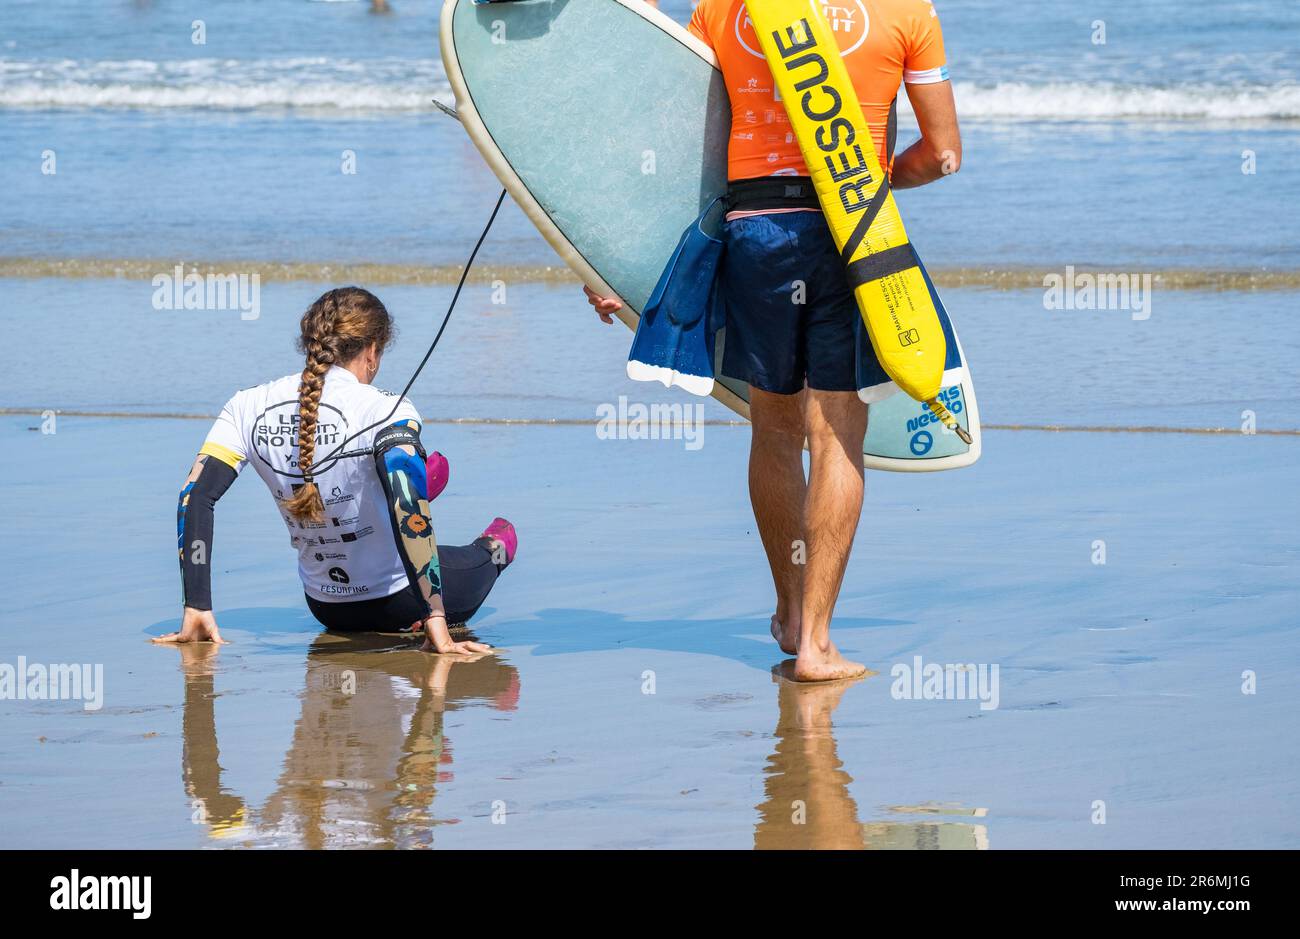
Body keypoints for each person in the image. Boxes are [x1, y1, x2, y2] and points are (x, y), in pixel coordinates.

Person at [585, 0, 962, 681]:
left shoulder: (724, 8)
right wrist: (874, 182)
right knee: (839, 432)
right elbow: (943, 155)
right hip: (854, 231)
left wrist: (628, 268)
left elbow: (670, 141)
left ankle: (790, 614)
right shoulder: (909, 11)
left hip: (754, 228)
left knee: (775, 429)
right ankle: (818, 642)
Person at [157, 287, 517, 653]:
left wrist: (196, 604)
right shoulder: (387, 408)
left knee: (401, 482)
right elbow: (407, 503)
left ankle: (427, 476)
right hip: (402, 601)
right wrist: (435, 620)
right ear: (373, 351)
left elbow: (195, 496)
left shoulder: (246, 405)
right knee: (499, 540)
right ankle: (479, 527)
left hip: (327, 608)